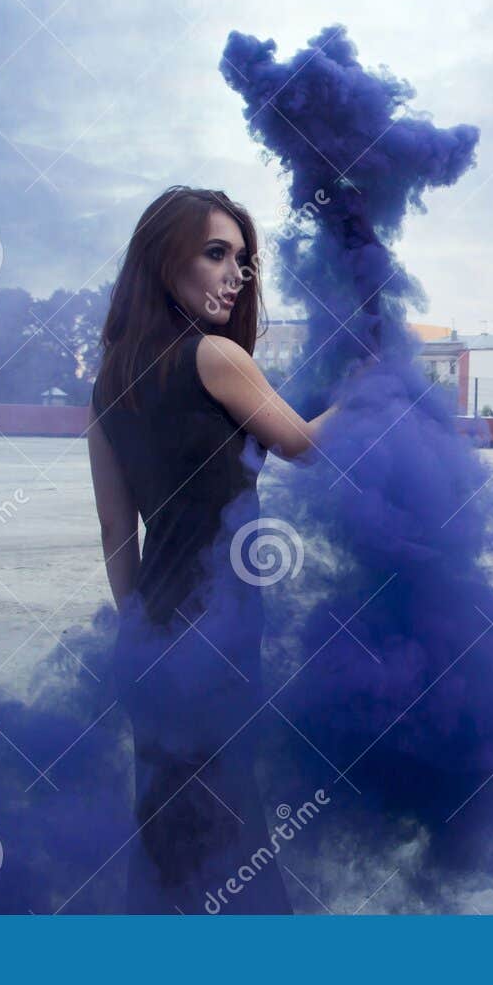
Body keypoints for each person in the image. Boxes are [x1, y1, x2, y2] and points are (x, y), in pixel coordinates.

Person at [85, 185, 356, 913]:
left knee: (169, 830)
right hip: (217, 633)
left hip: (153, 630)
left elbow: (115, 529)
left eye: (242, 258)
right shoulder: (215, 357)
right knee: (229, 828)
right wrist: (370, 390)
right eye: (215, 254)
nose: (237, 274)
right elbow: (302, 445)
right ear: (164, 262)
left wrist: (140, 629)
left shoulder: (107, 383)